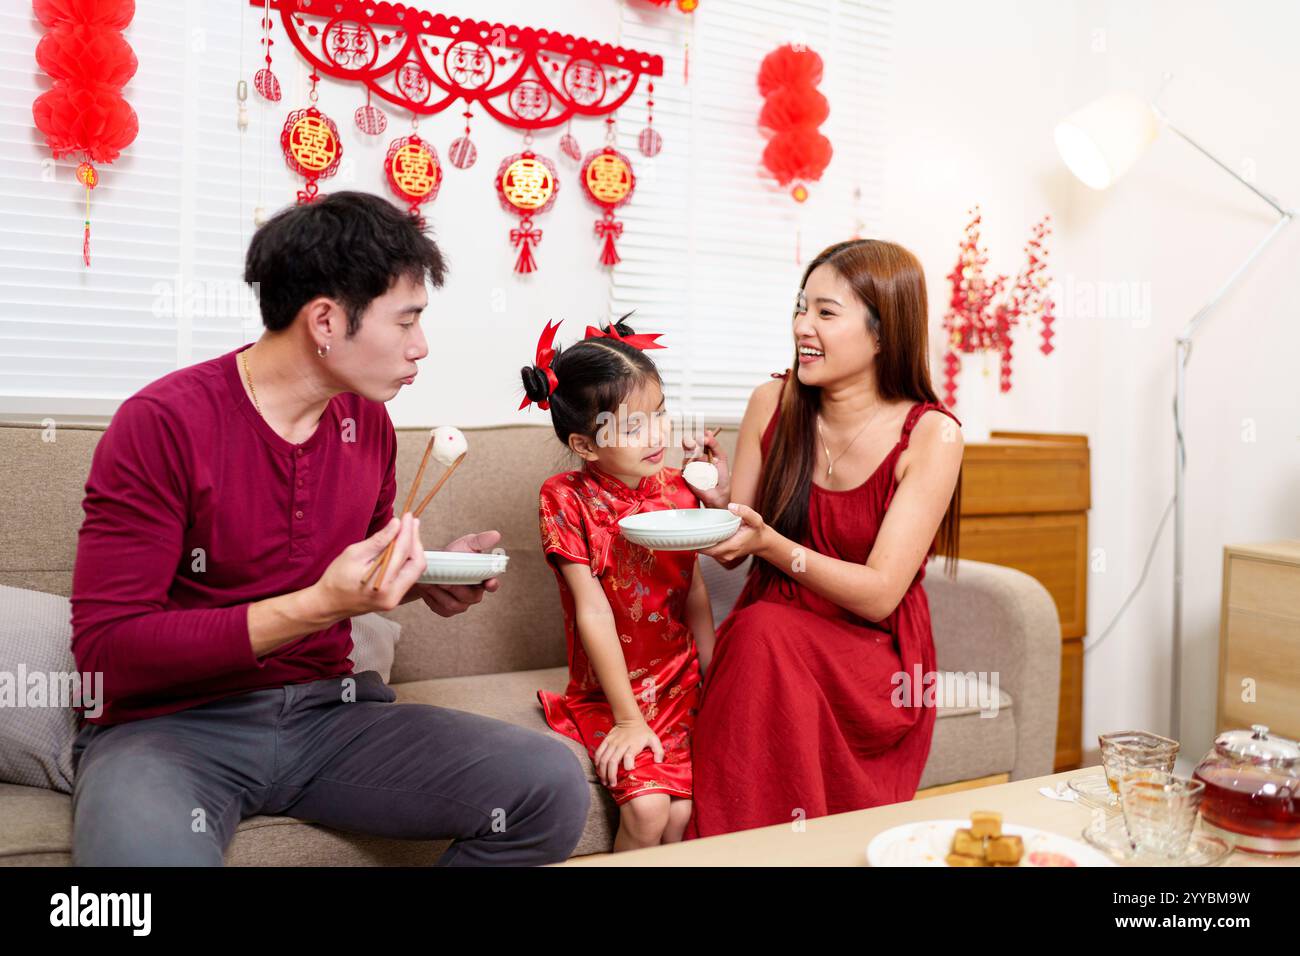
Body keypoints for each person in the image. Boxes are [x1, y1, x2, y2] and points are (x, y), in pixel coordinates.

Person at [68, 191, 589, 866]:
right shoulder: (163, 424)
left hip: (328, 715)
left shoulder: (364, 422)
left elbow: (348, 579)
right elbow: (107, 652)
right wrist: (319, 606)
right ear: (324, 320)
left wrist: (419, 579)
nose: (421, 345)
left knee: (548, 786)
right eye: (407, 321)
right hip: (169, 730)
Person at [679, 239, 965, 838]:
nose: (802, 326)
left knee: (759, 634)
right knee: (760, 632)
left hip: (871, 654)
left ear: (884, 333)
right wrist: (714, 504)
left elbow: (881, 594)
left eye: (825, 313)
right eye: (799, 307)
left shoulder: (931, 435)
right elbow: (737, 545)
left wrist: (770, 545)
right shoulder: (771, 402)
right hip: (776, 630)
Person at [520, 316, 716, 851]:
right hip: (613, 692)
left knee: (686, 815)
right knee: (650, 808)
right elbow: (593, 610)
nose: (656, 436)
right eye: (631, 428)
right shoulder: (564, 498)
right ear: (585, 445)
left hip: (681, 683)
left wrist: (713, 669)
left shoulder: (678, 491)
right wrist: (629, 719)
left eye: (659, 415)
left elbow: (692, 589)